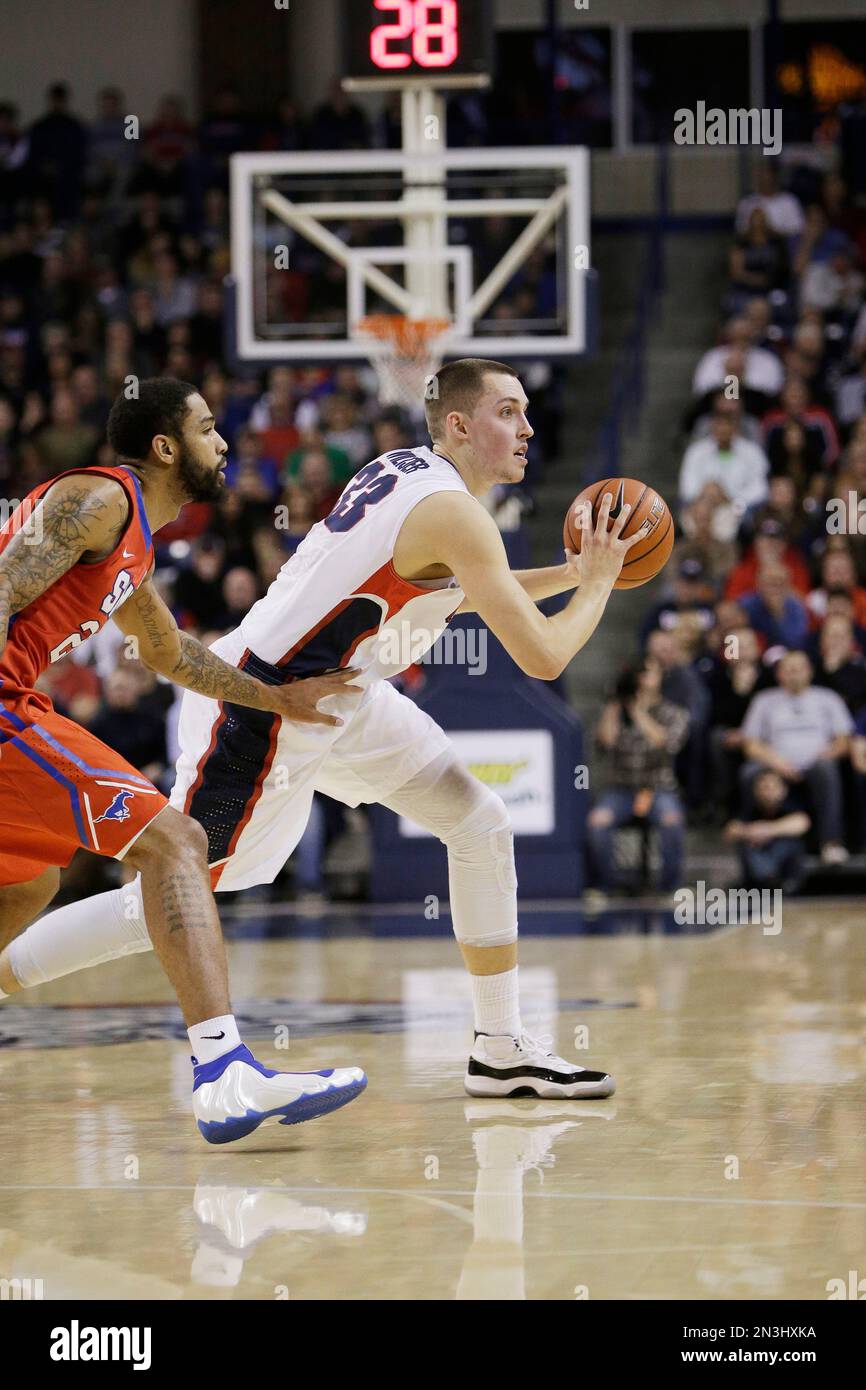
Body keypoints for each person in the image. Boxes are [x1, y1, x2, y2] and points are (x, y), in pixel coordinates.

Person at [0, 360, 653, 1100]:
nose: (529, 428)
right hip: (267, 706)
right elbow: (544, 655)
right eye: (510, 411)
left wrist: (571, 573)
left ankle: (501, 1047)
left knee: (479, 821)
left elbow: (464, 593)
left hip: (342, 693)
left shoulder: (405, 471)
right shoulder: (455, 515)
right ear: (462, 426)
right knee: (174, 888)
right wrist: (600, 582)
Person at [0, 378, 366, 1141]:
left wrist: (278, 701)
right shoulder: (98, 498)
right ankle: (224, 1071)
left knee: (30, 881)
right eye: (207, 428)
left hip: (15, 706)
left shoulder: (131, 543)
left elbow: (169, 654)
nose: (224, 441)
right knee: (177, 842)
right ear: (166, 447)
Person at [739, 649, 853, 864]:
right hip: (776, 765)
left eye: (799, 669)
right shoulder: (764, 700)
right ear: (779, 674)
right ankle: (750, 838)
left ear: (809, 672)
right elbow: (750, 744)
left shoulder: (827, 698)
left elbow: (844, 741)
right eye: (788, 669)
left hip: (817, 764)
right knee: (749, 772)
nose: (794, 674)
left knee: (826, 769)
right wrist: (777, 762)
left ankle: (831, 843)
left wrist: (822, 755)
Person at [587, 659, 689, 894]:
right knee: (597, 823)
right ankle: (606, 887)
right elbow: (606, 740)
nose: (643, 679)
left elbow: (663, 742)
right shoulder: (615, 710)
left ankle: (670, 888)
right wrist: (615, 703)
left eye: (648, 673)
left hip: (657, 788)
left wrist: (637, 710)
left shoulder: (673, 712)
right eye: (639, 673)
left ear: (660, 678)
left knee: (672, 821)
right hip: (620, 789)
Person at [724, 768, 810, 893]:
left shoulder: (789, 806)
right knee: (749, 847)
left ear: (783, 790)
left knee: (787, 843)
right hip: (759, 864)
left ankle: (776, 881)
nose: (768, 792)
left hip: (785, 867)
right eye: (764, 787)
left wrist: (768, 830)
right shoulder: (751, 808)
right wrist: (750, 832)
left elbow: (802, 822)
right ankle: (767, 879)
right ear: (756, 791)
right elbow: (730, 831)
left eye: (772, 787)